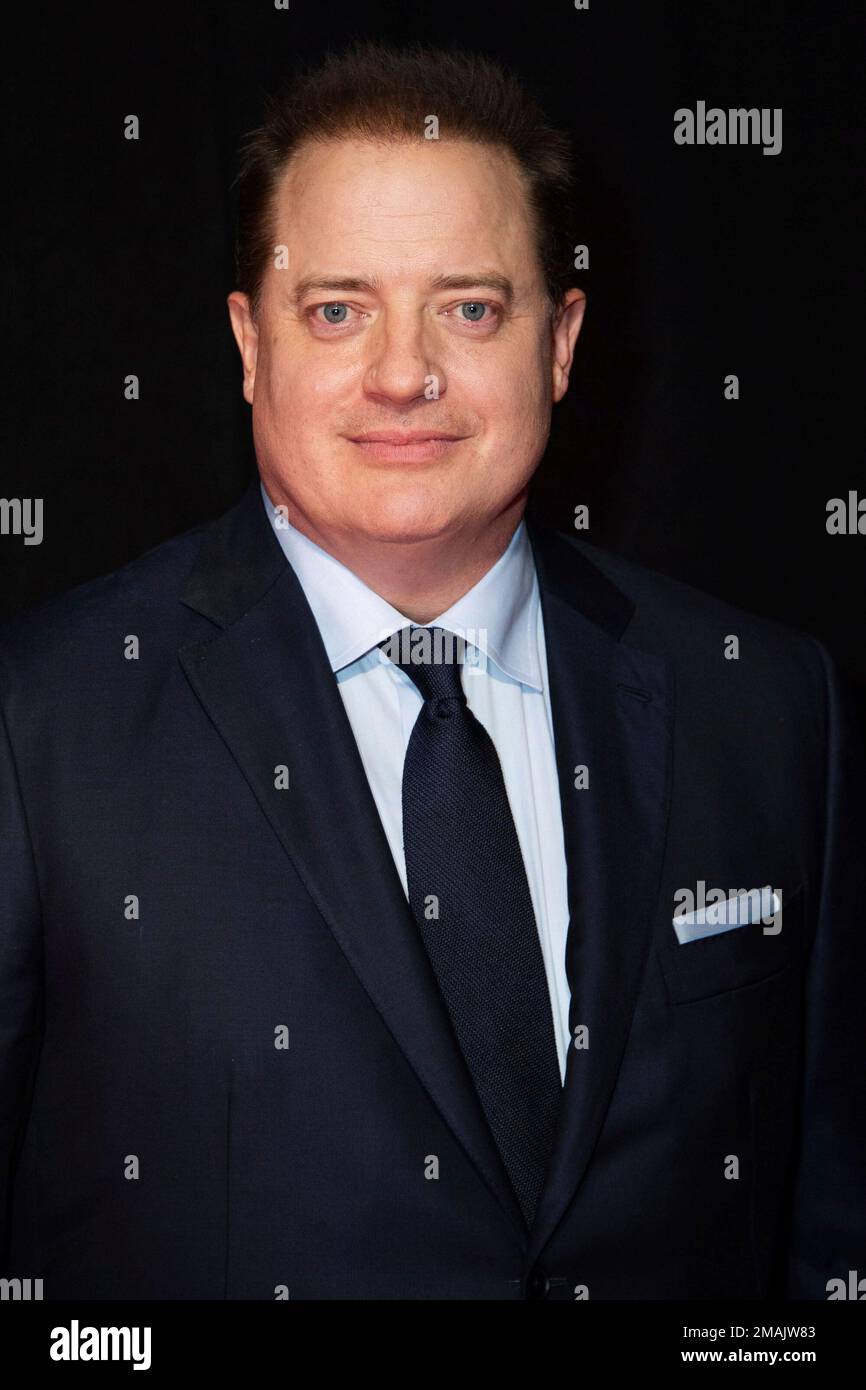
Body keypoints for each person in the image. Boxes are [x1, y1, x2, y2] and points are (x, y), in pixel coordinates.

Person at [1, 39, 863, 1301]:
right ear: (250, 345)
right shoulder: (38, 725)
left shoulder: (773, 707)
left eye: (469, 307)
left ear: (559, 342)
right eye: (337, 309)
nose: (403, 375)